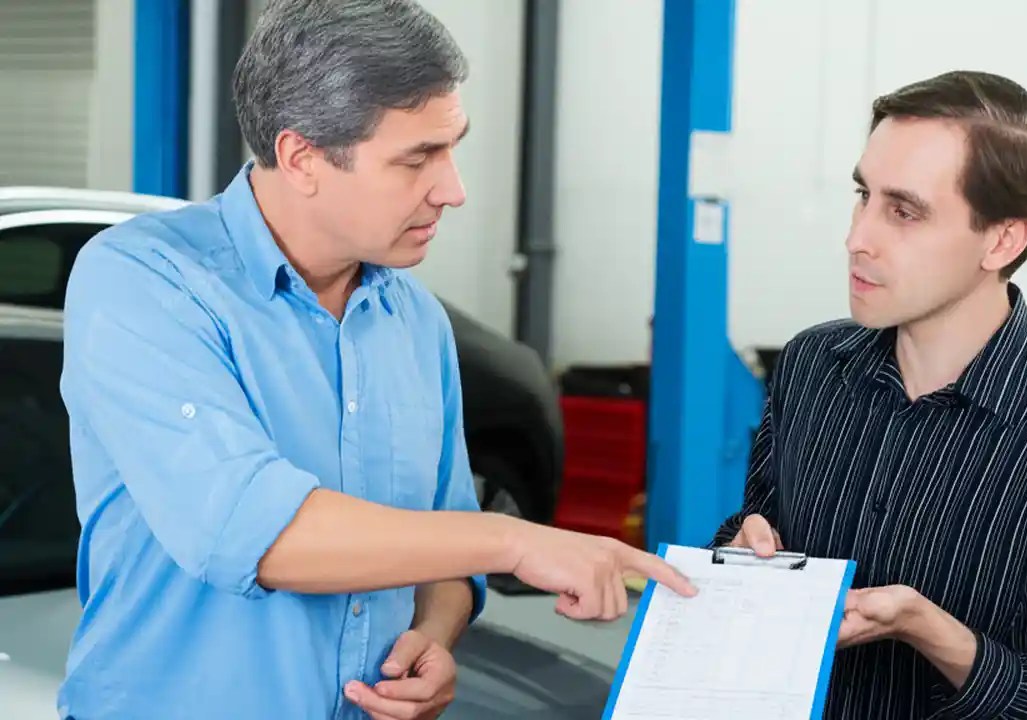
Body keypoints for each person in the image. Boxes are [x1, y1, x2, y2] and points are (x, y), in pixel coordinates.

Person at [56, 2, 694, 719]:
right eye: (417, 158)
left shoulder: (414, 320)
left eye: (452, 149)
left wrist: (433, 633)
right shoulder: (145, 281)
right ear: (302, 159)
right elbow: (257, 535)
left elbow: (445, 541)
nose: (452, 190)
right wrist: (515, 544)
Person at [713, 70, 1027, 719]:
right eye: (863, 195)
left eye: (903, 210)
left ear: (1003, 239)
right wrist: (741, 552)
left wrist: (934, 633)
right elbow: (755, 532)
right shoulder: (810, 368)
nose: (857, 237)